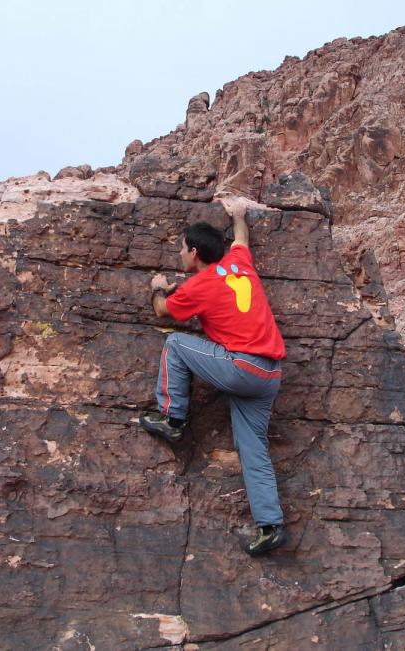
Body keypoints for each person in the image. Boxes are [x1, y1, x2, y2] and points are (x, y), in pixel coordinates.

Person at [141, 197, 287, 556]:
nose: (179, 254)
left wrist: (159, 287)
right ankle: (270, 525)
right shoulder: (238, 263)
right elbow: (241, 239)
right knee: (252, 448)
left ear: (193, 252)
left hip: (241, 367)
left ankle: (172, 417)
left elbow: (163, 312)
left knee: (175, 344)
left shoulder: (198, 286)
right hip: (270, 374)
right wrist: (238, 214)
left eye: (181, 249)